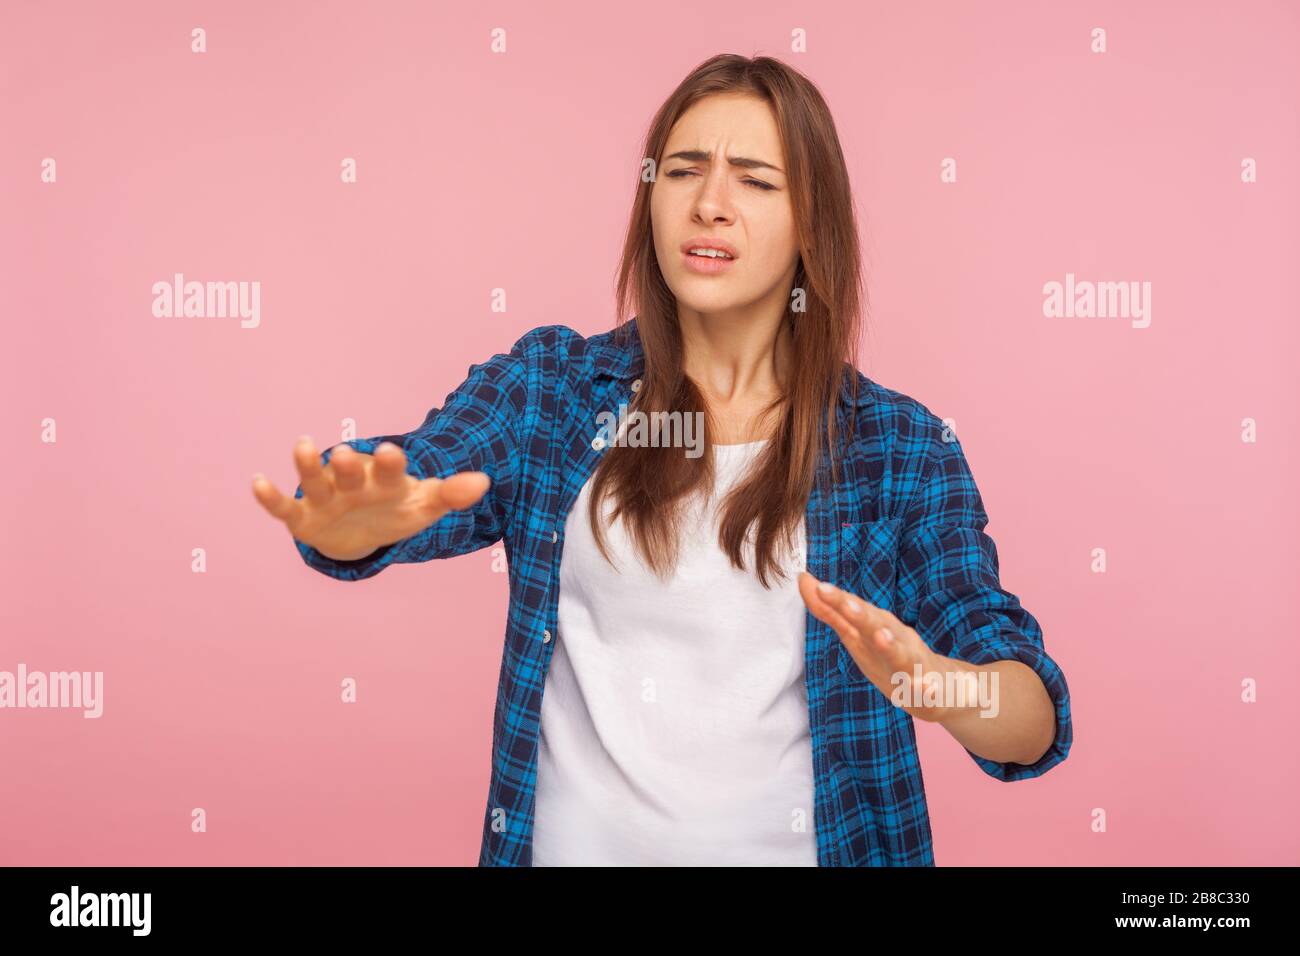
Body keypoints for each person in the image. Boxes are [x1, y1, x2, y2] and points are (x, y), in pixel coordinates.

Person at [251, 54, 1072, 866]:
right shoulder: (554, 391)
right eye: (683, 171)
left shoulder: (898, 449)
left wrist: (935, 683)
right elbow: (413, 475)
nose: (710, 205)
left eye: (755, 180)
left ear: (813, 223)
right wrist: (352, 522)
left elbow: (1030, 713)